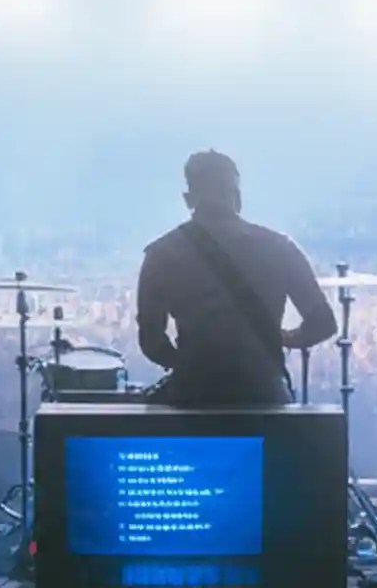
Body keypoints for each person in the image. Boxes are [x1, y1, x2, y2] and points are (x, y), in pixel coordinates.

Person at [137, 150, 337, 406]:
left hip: (194, 398)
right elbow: (323, 323)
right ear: (237, 196)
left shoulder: (161, 255)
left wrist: (190, 366)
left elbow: (151, 342)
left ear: (188, 199)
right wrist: (284, 338)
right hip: (264, 396)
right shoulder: (279, 247)